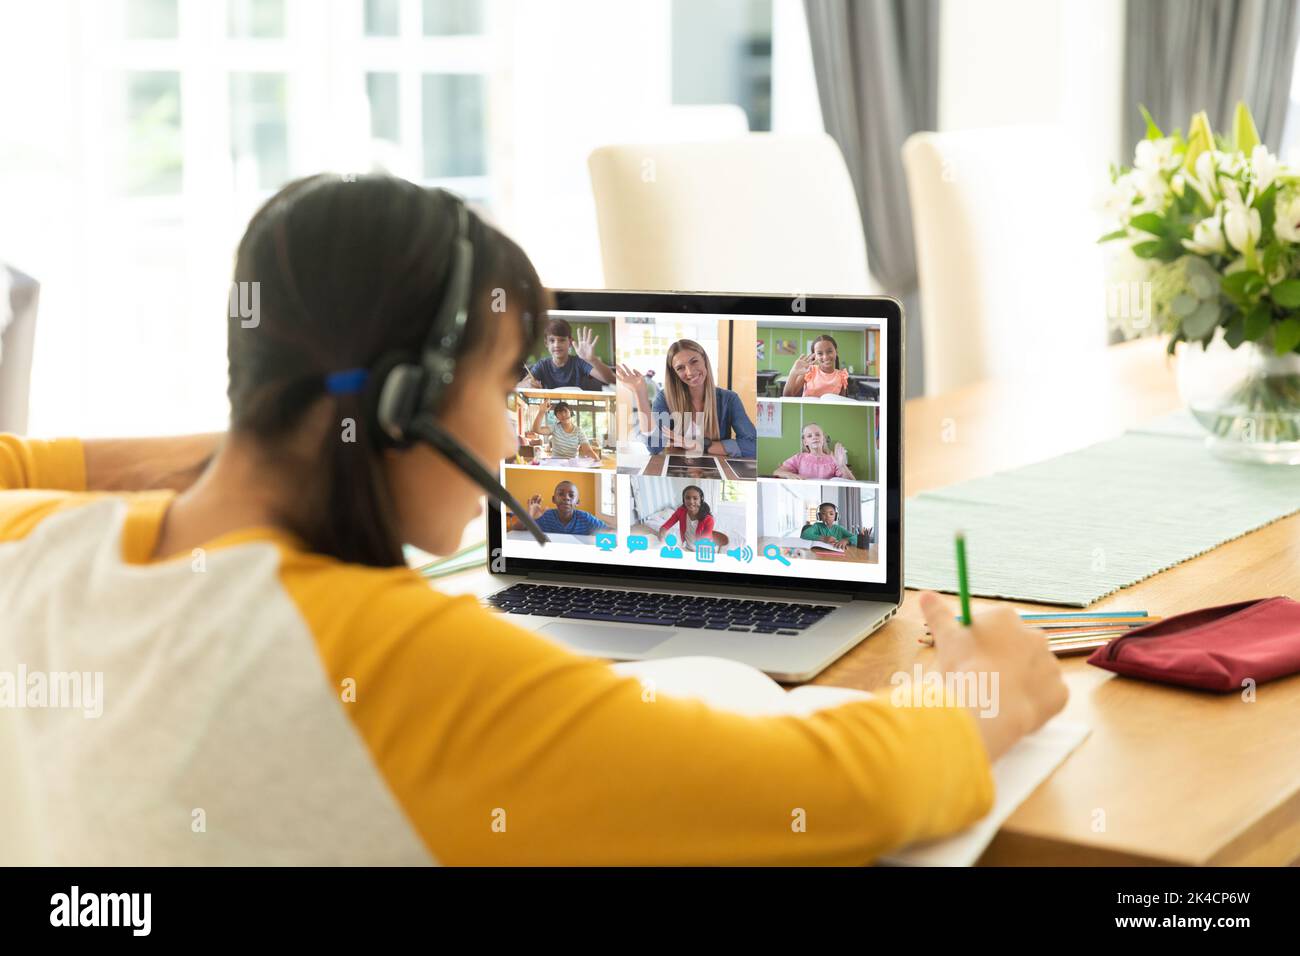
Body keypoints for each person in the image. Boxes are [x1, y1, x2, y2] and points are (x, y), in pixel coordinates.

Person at [0, 173, 1067, 865]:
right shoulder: (397, 659)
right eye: (508, 383)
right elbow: (827, 789)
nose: (520, 434)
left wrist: (265, 440)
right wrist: (977, 687)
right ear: (410, 399)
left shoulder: (32, 547)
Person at [615, 340, 756, 458]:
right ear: (674, 374)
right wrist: (640, 394)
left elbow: (753, 445)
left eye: (694, 361)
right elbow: (654, 447)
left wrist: (696, 445)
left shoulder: (728, 399)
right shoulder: (664, 398)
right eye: (680, 368)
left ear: (705, 361)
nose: (689, 372)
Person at [517, 318, 614, 390]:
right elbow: (518, 386)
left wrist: (593, 360)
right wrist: (527, 384)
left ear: (570, 342)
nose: (556, 345)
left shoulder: (579, 362)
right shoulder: (542, 365)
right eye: (552, 340)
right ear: (546, 343)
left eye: (562, 340)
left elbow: (611, 380)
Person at [508, 479, 607, 535]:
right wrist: (528, 516)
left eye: (571, 495)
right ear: (554, 499)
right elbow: (515, 531)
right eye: (561, 494)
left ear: (578, 502)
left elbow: (608, 531)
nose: (566, 498)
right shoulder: (543, 516)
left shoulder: (585, 518)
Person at [658, 484, 728, 552]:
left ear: (701, 499)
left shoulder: (709, 520)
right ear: (683, 499)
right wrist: (662, 536)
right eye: (687, 498)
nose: (691, 502)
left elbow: (704, 542)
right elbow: (665, 527)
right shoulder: (680, 511)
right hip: (687, 547)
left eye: (695, 498)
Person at [773, 423, 855, 480]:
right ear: (805, 442)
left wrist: (842, 466)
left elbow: (852, 482)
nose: (814, 437)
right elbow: (777, 472)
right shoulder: (799, 458)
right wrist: (789, 475)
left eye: (818, 434)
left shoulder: (832, 460)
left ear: (823, 439)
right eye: (809, 436)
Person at [529, 399, 599, 461]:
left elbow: (588, 450)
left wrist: (597, 461)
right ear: (557, 417)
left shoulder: (578, 431)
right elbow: (536, 429)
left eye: (565, 411)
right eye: (559, 413)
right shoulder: (554, 427)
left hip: (572, 463)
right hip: (555, 463)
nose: (563, 415)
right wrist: (541, 412)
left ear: (570, 412)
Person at [783, 334, 849, 399]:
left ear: (836, 352)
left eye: (829, 351)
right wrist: (793, 373)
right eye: (820, 353)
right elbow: (787, 396)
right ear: (815, 356)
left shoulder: (842, 376)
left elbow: (842, 403)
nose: (825, 357)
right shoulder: (809, 371)